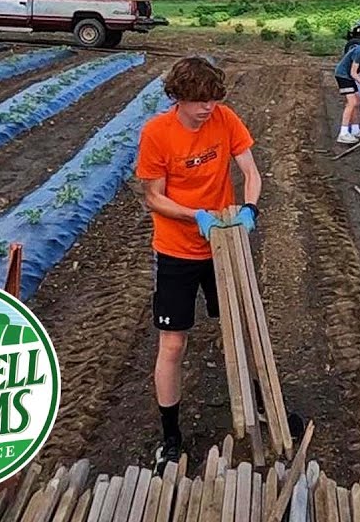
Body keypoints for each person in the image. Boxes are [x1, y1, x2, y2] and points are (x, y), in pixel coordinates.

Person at [135, 57, 264, 471]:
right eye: (198, 101)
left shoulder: (225, 119)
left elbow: (250, 170)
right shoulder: (157, 133)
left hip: (224, 244)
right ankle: (169, 436)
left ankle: (260, 405)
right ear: (178, 97)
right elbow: (153, 196)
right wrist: (196, 216)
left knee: (241, 328)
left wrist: (250, 208)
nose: (207, 108)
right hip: (176, 249)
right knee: (173, 343)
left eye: (212, 99)